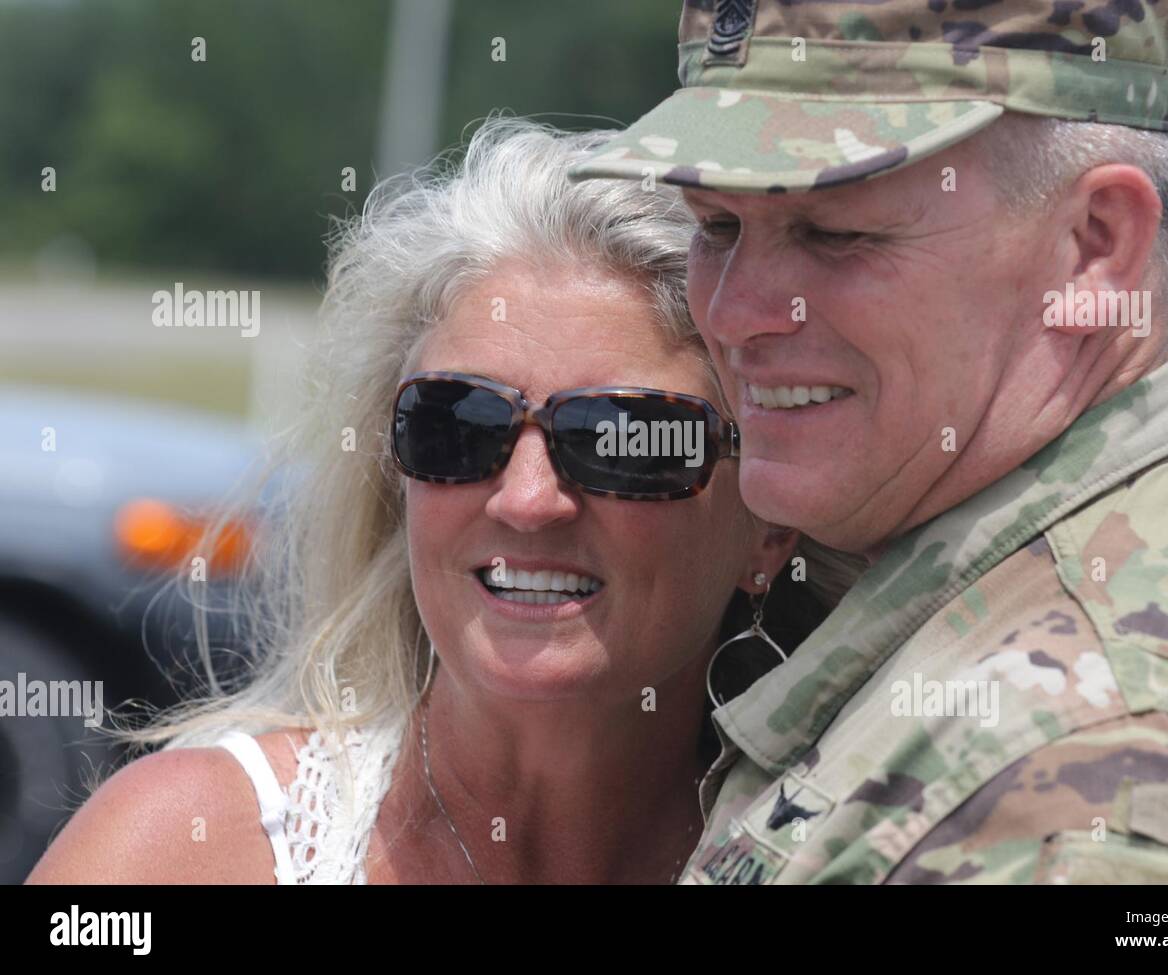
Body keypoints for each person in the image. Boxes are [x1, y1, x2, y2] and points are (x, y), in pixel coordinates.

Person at [571, 0, 1168, 884]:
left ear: (1093, 251)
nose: (735, 314)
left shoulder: (1096, 795)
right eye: (716, 227)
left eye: (836, 234)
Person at [26, 117, 862, 885]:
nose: (529, 500)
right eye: (457, 424)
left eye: (619, 438)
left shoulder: (874, 856)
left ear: (769, 523)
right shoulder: (178, 851)